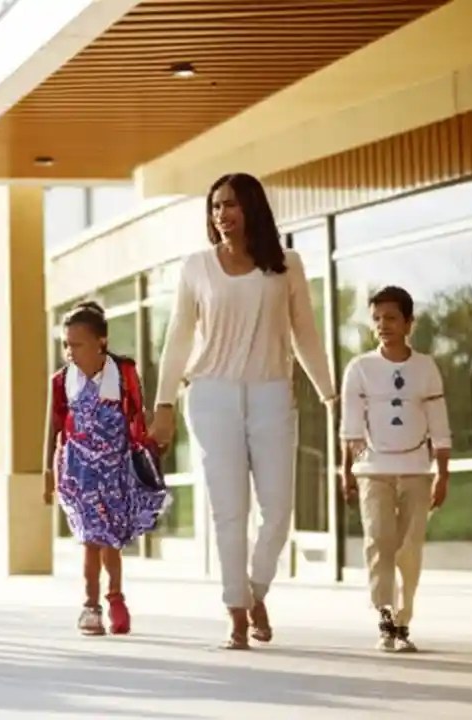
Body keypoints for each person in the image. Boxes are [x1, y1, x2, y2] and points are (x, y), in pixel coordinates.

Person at [150, 173, 336, 650]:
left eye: (230, 205)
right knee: (228, 510)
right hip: (211, 394)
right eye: (215, 207)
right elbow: (178, 339)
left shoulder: (286, 265)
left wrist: (330, 395)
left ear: (252, 207)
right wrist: (164, 404)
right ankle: (236, 612)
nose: (222, 215)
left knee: (277, 509)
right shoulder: (196, 267)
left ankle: (256, 590)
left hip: (273, 392)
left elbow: (306, 334)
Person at [44, 302, 167, 636]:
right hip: (78, 475)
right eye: (66, 344)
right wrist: (48, 473)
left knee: (111, 541)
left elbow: (137, 417)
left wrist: (148, 454)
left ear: (101, 341)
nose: (70, 351)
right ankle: (90, 605)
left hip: (115, 472)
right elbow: (54, 427)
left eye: (77, 344)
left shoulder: (124, 372)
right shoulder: (61, 381)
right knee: (89, 540)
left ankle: (115, 597)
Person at [339, 286, 451, 653]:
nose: (382, 325)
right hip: (373, 471)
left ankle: (404, 621)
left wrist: (443, 473)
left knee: (409, 547)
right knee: (379, 542)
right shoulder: (360, 369)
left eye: (390, 318)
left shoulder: (426, 367)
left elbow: (439, 424)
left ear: (408, 323)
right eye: (376, 319)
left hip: (418, 471)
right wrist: (347, 471)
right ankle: (385, 616)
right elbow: (351, 425)